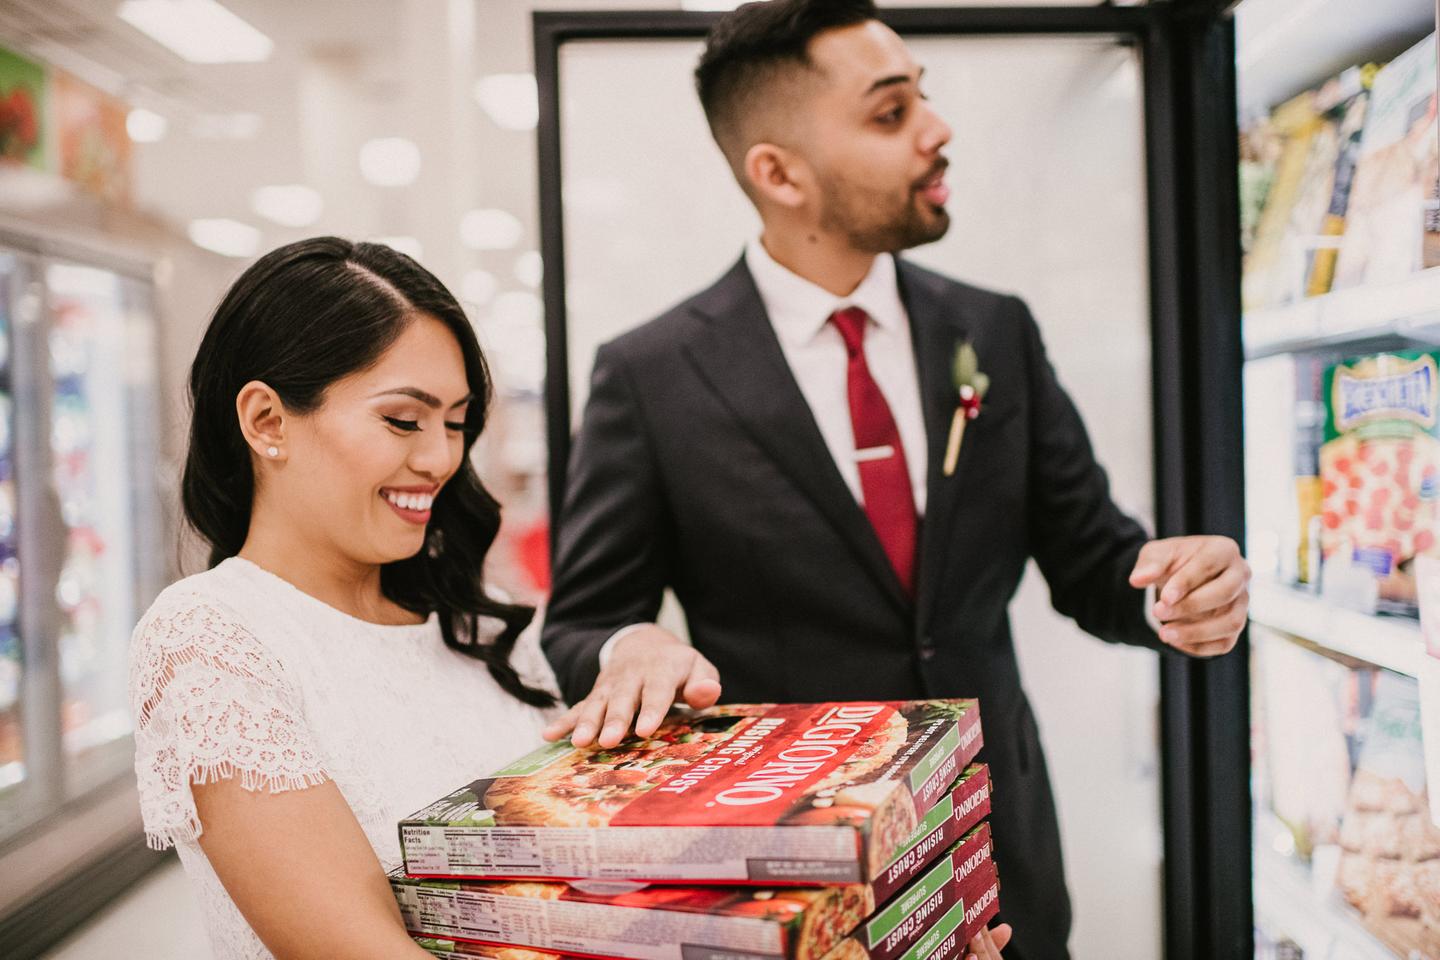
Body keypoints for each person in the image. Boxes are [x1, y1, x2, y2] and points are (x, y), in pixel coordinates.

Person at [539, 3, 1251, 959]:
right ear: (778, 173)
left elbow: (1095, 561)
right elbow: (582, 622)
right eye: (889, 113)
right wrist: (631, 646)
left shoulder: (991, 332)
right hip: (797, 889)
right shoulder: (652, 373)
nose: (937, 129)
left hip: (1004, 860)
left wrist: (1172, 594)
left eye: (926, 97)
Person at [128, 238, 560, 959]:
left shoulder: (472, 613)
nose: (441, 458)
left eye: (455, 423)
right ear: (267, 421)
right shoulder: (209, 637)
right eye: (403, 420)